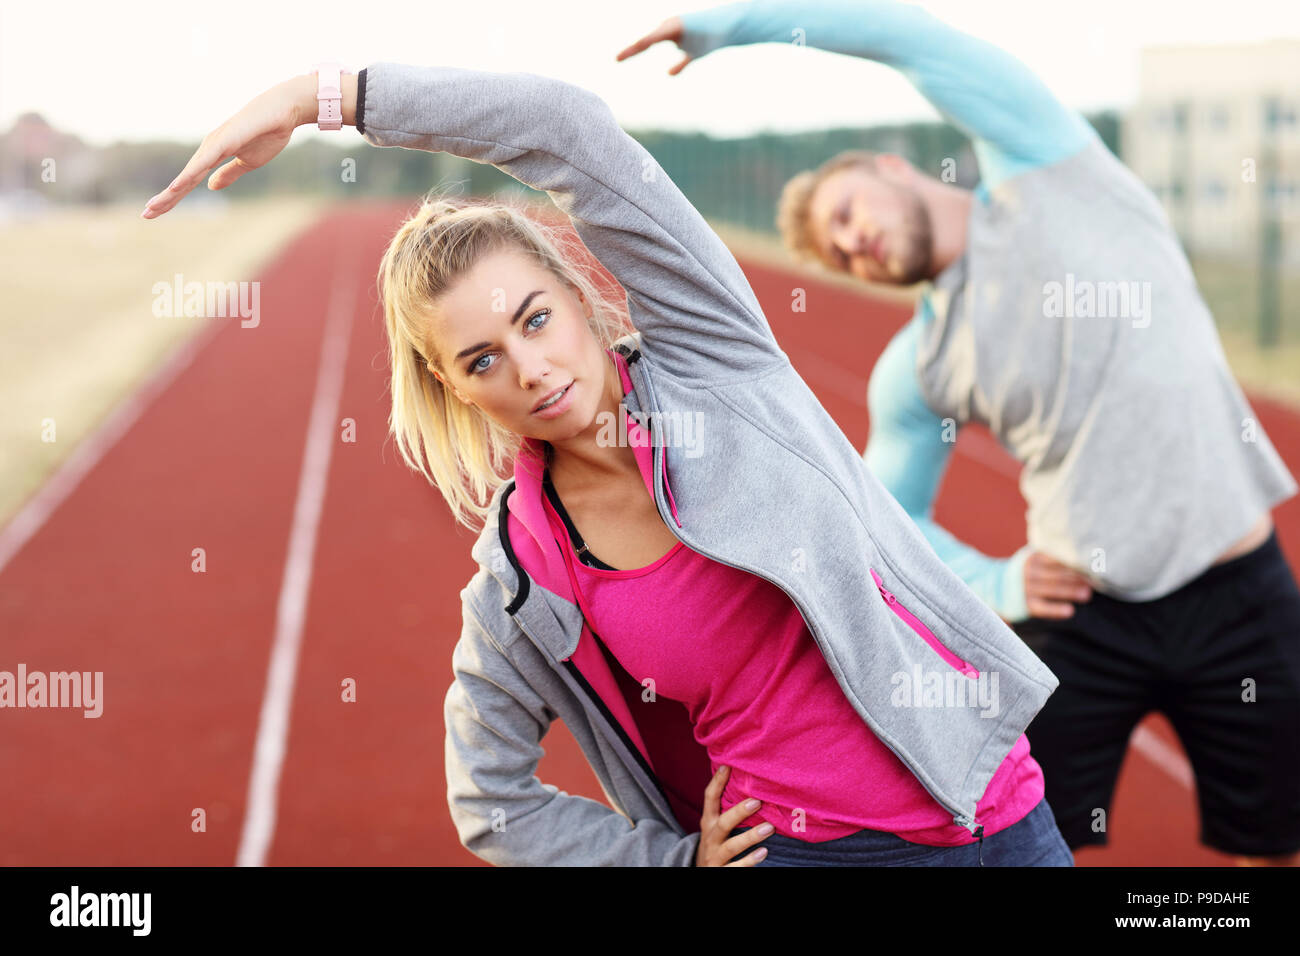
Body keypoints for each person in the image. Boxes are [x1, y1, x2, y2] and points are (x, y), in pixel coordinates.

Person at [142, 59, 1070, 866]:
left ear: (582, 298)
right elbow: (490, 798)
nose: (530, 367)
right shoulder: (524, 579)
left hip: (999, 816)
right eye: (483, 360)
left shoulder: (719, 358)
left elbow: (566, 129)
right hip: (799, 856)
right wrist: (666, 861)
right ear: (457, 388)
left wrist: (321, 97)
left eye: (533, 319)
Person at [619, 0, 1300, 864]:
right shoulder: (921, 365)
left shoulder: (1052, 169)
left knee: (1270, 844)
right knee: (1025, 833)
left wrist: (728, 28)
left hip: (1237, 585)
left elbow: (915, 39)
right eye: (838, 252)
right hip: (1083, 616)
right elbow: (885, 528)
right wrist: (1002, 578)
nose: (852, 242)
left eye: (847, 210)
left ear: (891, 165)